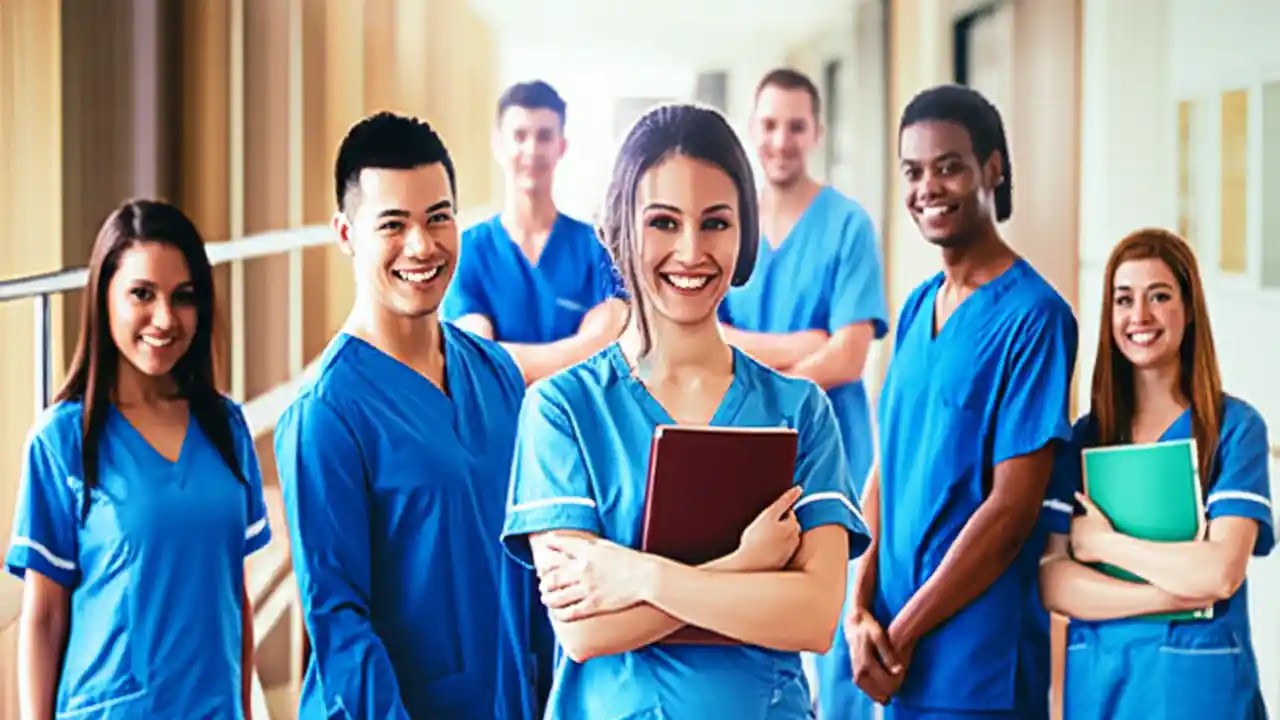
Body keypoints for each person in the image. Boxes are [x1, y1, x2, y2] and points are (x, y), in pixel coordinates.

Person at [500, 102, 870, 719]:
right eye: (664, 223)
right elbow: (584, 631)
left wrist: (640, 577)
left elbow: (813, 616)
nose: (692, 250)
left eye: (716, 223)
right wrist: (744, 566)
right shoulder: (561, 410)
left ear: (744, 232)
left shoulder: (798, 411)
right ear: (621, 228)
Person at [274, 112, 534, 719]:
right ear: (345, 233)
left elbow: (531, 561)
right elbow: (340, 626)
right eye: (393, 224)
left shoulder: (495, 374)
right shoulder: (327, 415)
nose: (422, 245)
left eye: (438, 217)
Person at [847, 84, 1078, 719]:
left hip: (975, 667)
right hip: (896, 654)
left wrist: (904, 632)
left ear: (993, 170)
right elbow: (886, 468)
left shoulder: (1035, 318)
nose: (929, 189)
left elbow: (1010, 515)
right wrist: (857, 604)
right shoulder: (919, 305)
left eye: (948, 166)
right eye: (913, 172)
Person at [6, 199, 272, 718]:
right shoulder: (62, 440)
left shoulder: (227, 428)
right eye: (141, 295)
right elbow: (43, 620)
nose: (165, 319)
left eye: (184, 297)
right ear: (103, 298)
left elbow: (233, 598)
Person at [1039, 228, 1273, 719]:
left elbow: (1220, 571)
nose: (1139, 316)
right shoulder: (1084, 439)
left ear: (1189, 309)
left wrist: (1102, 545)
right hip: (1103, 688)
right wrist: (1175, 594)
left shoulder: (1234, 429)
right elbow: (1054, 582)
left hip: (1200, 692)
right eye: (1124, 300)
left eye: (1159, 296)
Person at [719, 67, 888, 719]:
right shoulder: (728, 221)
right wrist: (797, 345)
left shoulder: (846, 224)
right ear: (750, 130)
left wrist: (745, 351)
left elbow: (847, 355)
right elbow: (707, 337)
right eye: (768, 124)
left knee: (836, 626)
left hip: (831, 456)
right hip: (741, 457)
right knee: (747, 620)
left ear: (817, 132)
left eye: (795, 126)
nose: (781, 140)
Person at [442, 79, 627, 384]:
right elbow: (477, 364)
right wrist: (580, 349)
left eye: (544, 136)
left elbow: (608, 350)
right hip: (498, 430)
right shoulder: (468, 251)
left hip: (575, 427)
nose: (531, 149)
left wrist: (505, 360)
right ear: (499, 144)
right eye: (519, 136)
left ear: (561, 146)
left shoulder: (598, 249)